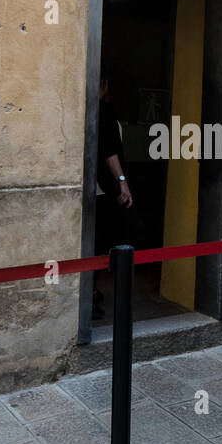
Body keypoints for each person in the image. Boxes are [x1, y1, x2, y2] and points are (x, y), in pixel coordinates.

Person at [94, 77, 137, 320]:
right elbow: (110, 152)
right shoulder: (103, 111)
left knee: (96, 244)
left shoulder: (92, 110)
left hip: (96, 187)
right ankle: (89, 294)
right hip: (103, 189)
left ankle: (90, 291)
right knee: (99, 244)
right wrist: (123, 183)